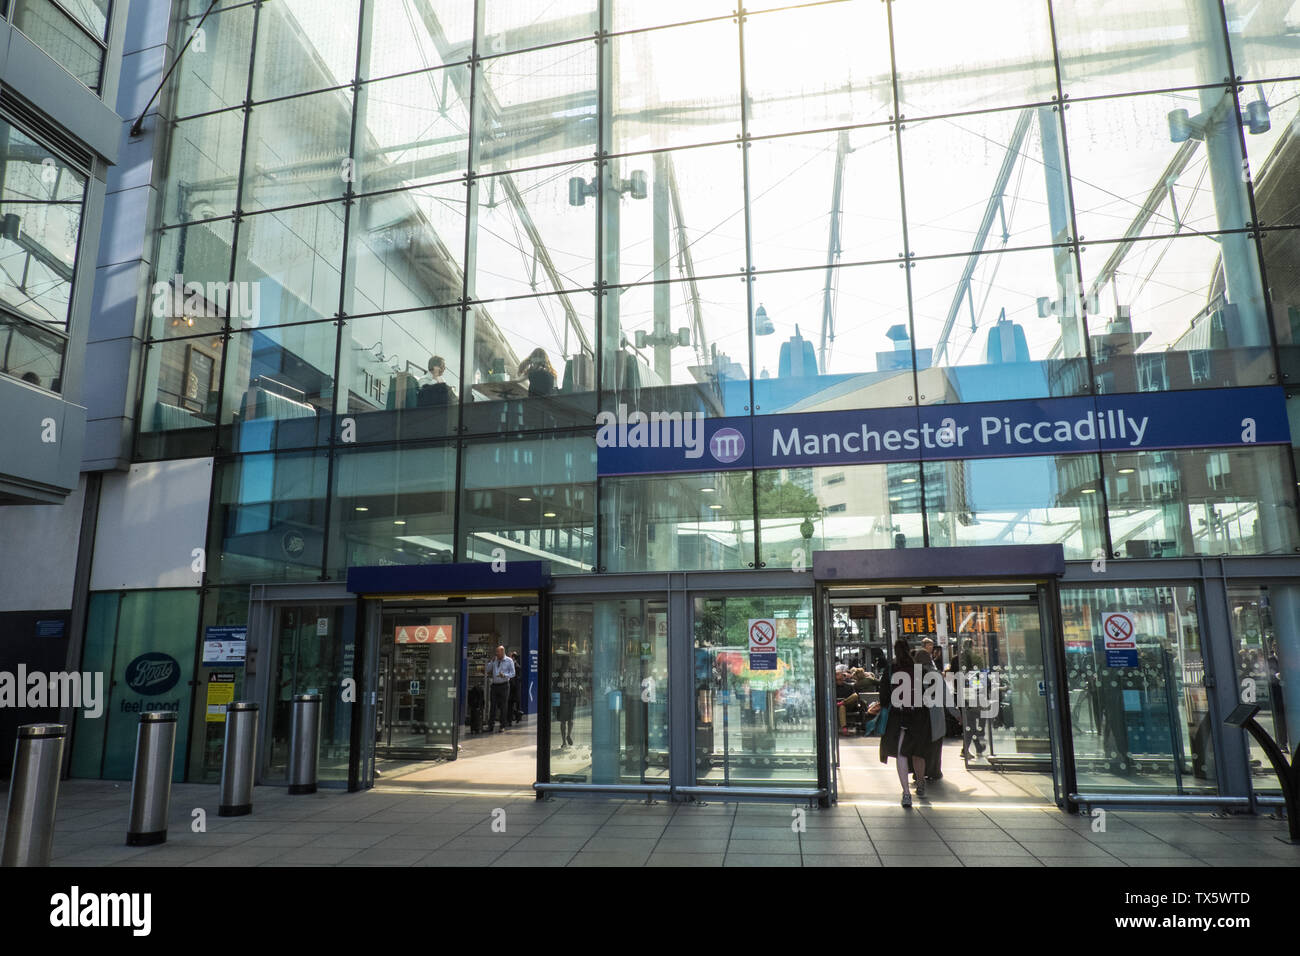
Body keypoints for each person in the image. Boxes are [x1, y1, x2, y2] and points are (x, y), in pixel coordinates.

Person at [869, 638, 933, 806]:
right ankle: (920, 782)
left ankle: (906, 793)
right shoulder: (920, 671)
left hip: (898, 716)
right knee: (918, 752)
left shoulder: (890, 671)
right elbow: (929, 695)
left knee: (901, 753)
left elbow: (884, 698)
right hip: (919, 716)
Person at [485, 644, 515, 733]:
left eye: (498, 652)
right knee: (492, 706)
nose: (496, 653)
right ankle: (491, 725)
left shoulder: (509, 661)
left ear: (502, 652)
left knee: (503, 706)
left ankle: (502, 726)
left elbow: (513, 673)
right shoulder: (495, 660)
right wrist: (491, 662)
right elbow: (487, 669)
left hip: (504, 685)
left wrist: (504, 675)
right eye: (496, 652)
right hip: (494, 685)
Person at [508, 651, 523, 723]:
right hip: (513, 688)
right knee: (512, 704)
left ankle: (516, 716)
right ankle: (514, 717)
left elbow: (517, 678)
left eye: (510, 656)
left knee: (512, 703)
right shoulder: (514, 665)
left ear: (513, 657)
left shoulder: (516, 666)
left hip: (514, 688)